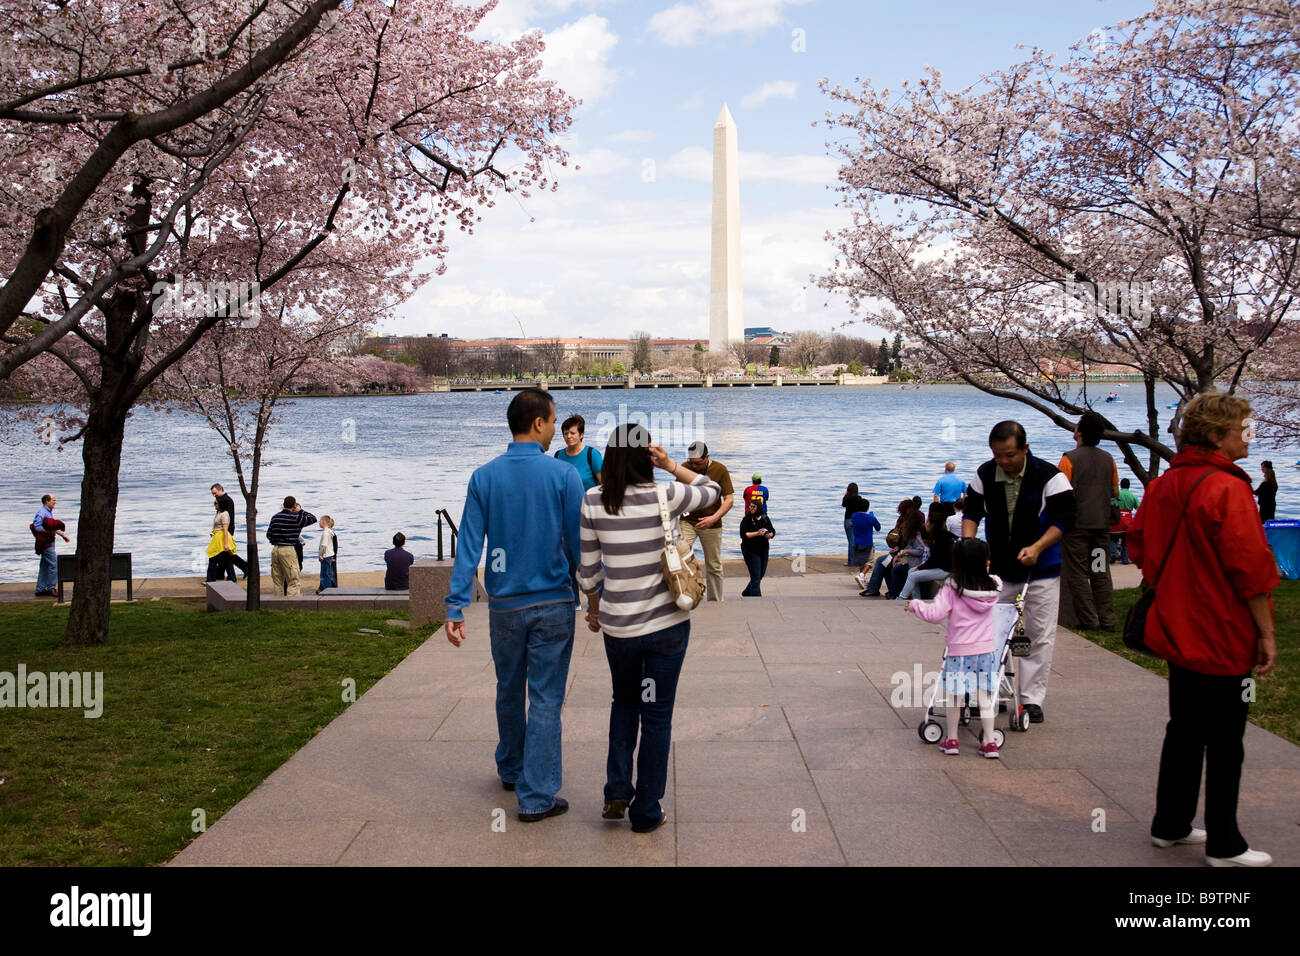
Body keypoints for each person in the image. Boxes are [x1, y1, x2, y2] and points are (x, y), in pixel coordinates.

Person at [1129, 391, 1278, 866]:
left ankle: (1170, 823)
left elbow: (1138, 542)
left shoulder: (1165, 483)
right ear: (1217, 435)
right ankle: (1225, 842)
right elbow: (1251, 568)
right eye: (1243, 428)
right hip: (1222, 627)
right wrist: (1266, 632)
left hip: (1176, 624)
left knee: (1185, 728)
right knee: (1226, 736)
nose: (1249, 436)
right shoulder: (1228, 488)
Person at [445, 388, 584, 823]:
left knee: (508, 687)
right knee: (545, 698)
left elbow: (468, 545)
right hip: (553, 601)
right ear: (539, 423)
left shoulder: (484, 476)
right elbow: (580, 545)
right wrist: (595, 595)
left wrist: (455, 605)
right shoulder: (564, 476)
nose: (553, 431)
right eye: (552, 421)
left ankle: (511, 767)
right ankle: (537, 795)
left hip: (504, 605)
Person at [578, 423, 720, 831]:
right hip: (666, 626)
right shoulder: (666, 494)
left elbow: (588, 572)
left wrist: (592, 608)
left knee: (623, 704)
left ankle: (617, 790)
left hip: (619, 629)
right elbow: (711, 491)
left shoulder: (593, 501)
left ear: (610, 459)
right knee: (657, 715)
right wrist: (672, 464)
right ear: (646, 457)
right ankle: (646, 810)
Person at [962, 420, 1076, 724]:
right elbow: (971, 511)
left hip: (1042, 568)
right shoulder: (984, 474)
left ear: (1025, 449)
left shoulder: (1050, 476)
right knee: (991, 630)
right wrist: (970, 545)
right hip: (999, 569)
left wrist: (1038, 547)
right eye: (998, 455)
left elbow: (1064, 520)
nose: (1003, 461)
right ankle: (994, 689)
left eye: (1009, 455)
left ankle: (1030, 699)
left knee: (1038, 634)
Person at [906, 538, 1004, 758]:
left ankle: (952, 740)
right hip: (986, 651)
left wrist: (915, 605)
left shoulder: (952, 589)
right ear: (985, 561)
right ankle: (989, 742)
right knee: (985, 698)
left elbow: (935, 615)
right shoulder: (993, 586)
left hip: (959, 652)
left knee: (954, 698)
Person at [1057, 411, 1119, 631]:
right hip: (1100, 528)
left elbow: (1059, 494)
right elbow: (1115, 493)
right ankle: (1108, 619)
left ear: (1079, 433)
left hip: (1076, 529)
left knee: (1077, 574)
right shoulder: (1108, 459)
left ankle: (1088, 619)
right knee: (1100, 570)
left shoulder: (1068, 460)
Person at [677, 441, 734, 602]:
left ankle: (715, 601)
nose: (694, 466)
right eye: (691, 462)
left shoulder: (720, 469)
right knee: (678, 557)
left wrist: (713, 518)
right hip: (688, 521)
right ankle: (685, 596)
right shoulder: (684, 467)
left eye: (698, 463)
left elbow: (729, 500)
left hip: (712, 524)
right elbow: (677, 494)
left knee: (713, 565)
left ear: (707, 457)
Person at [896, 503, 958, 601]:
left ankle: (901, 598)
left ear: (933, 524)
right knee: (911, 571)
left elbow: (935, 559)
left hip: (946, 570)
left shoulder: (940, 538)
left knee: (913, 575)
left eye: (928, 522)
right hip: (941, 567)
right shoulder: (938, 536)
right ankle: (917, 598)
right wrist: (920, 567)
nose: (926, 524)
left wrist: (920, 567)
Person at [858, 499, 916, 596]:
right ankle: (887, 589)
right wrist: (897, 547)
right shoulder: (906, 521)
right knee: (884, 562)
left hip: (905, 554)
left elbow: (909, 543)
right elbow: (902, 541)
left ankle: (874, 589)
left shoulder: (909, 524)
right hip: (900, 551)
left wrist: (899, 550)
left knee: (882, 562)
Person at [266, 496, 317, 596]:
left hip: (275, 549)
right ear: (294, 506)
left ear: (283, 504)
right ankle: (292, 604)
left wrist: (275, 540)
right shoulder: (296, 518)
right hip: (288, 549)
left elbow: (269, 534)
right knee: (293, 579)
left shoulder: (275, 517)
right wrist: (300, 510)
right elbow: (313, 518)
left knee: (277, 580)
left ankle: (278, 602)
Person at [31, 493, 70, 597]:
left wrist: (61, 534)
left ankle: (40, 589)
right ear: (47, 501)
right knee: (53, 564)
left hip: (49, 542)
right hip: (46, 543)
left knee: (44, 566)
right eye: (53, 500)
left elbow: (50, 526)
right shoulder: (42, 513)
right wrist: (49, 533)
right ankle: (51, 588)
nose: (55, 502)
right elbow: (37, 527)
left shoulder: (48, 512)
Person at [555, 413, 604, 491]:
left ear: (581, 435)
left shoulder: (592, 454)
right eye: (566, 433)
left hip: (588, 501)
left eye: (572, 433)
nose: (568, 436)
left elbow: (605, 485)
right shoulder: (558, 455)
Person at [739, 496, 776, 597]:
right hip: (750, 550)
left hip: (763, 550)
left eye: (753, 507)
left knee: (760, 574)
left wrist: (770, 535)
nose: (751, 509)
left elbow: (772, 530)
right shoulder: (746, 519)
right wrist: (757, 533)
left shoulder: (765, 518)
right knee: (755, 575)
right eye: (750, 507)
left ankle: (746, 592)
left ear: (758, 508)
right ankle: (757, 599)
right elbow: (743, 535)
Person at [210, 483, 248, 578]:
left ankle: (244, 567)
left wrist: (226, 531)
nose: (214, 496)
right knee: (223, 553)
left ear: (220, 490)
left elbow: (227, 517)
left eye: (215, 493)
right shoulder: (224, 499)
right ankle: (220, 573)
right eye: (213, 494)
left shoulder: (226, 500)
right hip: (223, 530)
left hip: (226, 529)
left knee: (227, 553)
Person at [1111, 478, 1141, 564]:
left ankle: (1114, 552)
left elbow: (1110, 506)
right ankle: (1125, 559)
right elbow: (1140, 510)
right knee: (1125, 541)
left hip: (1116, 522)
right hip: (1128, 524)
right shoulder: (1132, 496)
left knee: (1111, 538)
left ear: (1120, 485)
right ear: (1129, 486)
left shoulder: (1117, 495)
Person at [850, 501, 881, 582]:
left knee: (861, 561)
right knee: (870, 562)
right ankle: (861, 575)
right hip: (867, 543)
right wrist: (872, 516)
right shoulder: (870, 518)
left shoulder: (854, 516)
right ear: (867, 507)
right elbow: (878, 528)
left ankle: (862, 578)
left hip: (856, 542)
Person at [209, 502, 237, 582]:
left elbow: (225, 529)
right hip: (218, 536)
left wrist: (226, 544)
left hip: (222, 537)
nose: (215, 505)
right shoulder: (218, 512)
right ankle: (232, 578)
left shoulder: (224, 514)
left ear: (221, 504)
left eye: (216, 503)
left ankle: (210, 579)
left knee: (213, 557)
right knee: (227, 559)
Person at [841, 483, 869, 565]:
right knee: (857, 541)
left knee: (851, 542)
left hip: (848, 520)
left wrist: (845, 495)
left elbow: (843, 505)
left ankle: (851, 561)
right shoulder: (859, 498)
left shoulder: (847, 499)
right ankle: (858, 560)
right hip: (857, 521)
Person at [317, 516, 338, 593]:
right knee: (328, 572)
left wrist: (320, 555)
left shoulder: (325, 533)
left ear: (323, 522)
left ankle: (326, 589)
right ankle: (326, 588)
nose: (319, 523)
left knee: (324, 574)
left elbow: (323, 545)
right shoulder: (330, 531)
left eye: (320, 521)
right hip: (330, 554)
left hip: (326, 555)